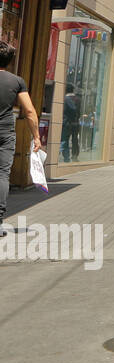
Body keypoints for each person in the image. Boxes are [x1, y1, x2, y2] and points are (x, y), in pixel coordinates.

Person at [0, 41, 41, 236]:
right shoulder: (17, 81)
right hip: (5, 133)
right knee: (1, 175)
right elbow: (30, 111)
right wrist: (36, 137)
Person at [61, 87, 80, 162]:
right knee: (75, 140)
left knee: (65, 140)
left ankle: (66, 158)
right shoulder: (78, 99)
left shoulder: (65, 99)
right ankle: (75, 155)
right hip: (76, 123)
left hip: (67, 123)